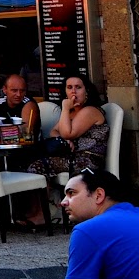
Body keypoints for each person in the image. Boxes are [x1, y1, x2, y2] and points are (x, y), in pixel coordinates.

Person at [19, 74, 111, 227]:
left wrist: (65, 110)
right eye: (69, 88)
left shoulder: (90, 111)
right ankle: (40, 211)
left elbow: (68, 132)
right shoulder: (72, 112)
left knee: (37, 166)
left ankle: (42, 214)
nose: (73, 91)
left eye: (78, 87)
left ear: (87, 91)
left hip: (87, 160)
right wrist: (65, 138)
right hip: (72, 157)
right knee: (32, 163)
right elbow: (54, 132)